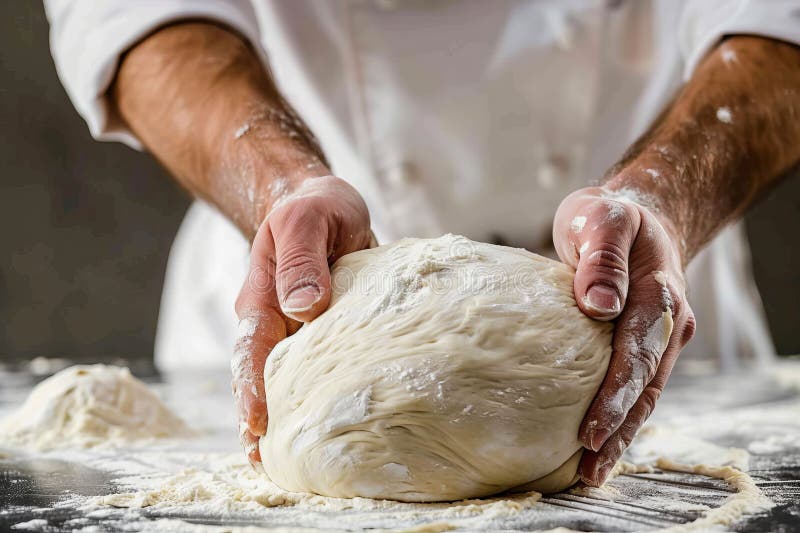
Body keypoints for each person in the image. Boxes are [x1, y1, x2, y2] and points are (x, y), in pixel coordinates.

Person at [44, 0, 800, 487]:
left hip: (643, 297)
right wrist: (279, 187)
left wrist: (661, 198)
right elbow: (134, 20)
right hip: (299, 294)